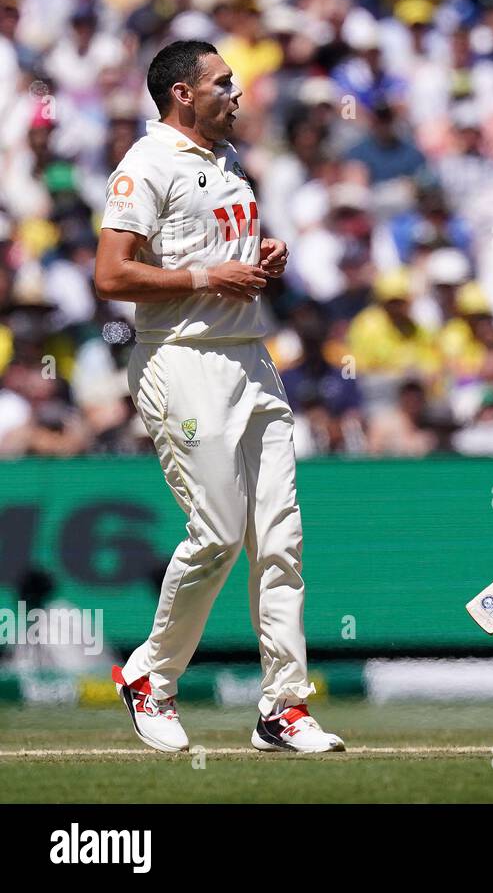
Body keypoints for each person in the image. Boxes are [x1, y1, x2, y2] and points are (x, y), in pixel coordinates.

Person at [94, 40, 343, 754]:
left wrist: (263, 261)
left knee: (281, 539)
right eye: (223, 84)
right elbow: (111, 274)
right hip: (181, 361)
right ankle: (150, 677)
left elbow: (223, 257)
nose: (237, 94)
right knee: (219, 533)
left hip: (249, 358)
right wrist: (209, 280)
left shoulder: (227, 162)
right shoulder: (145, 165)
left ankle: (283, 708)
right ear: (182, 93)